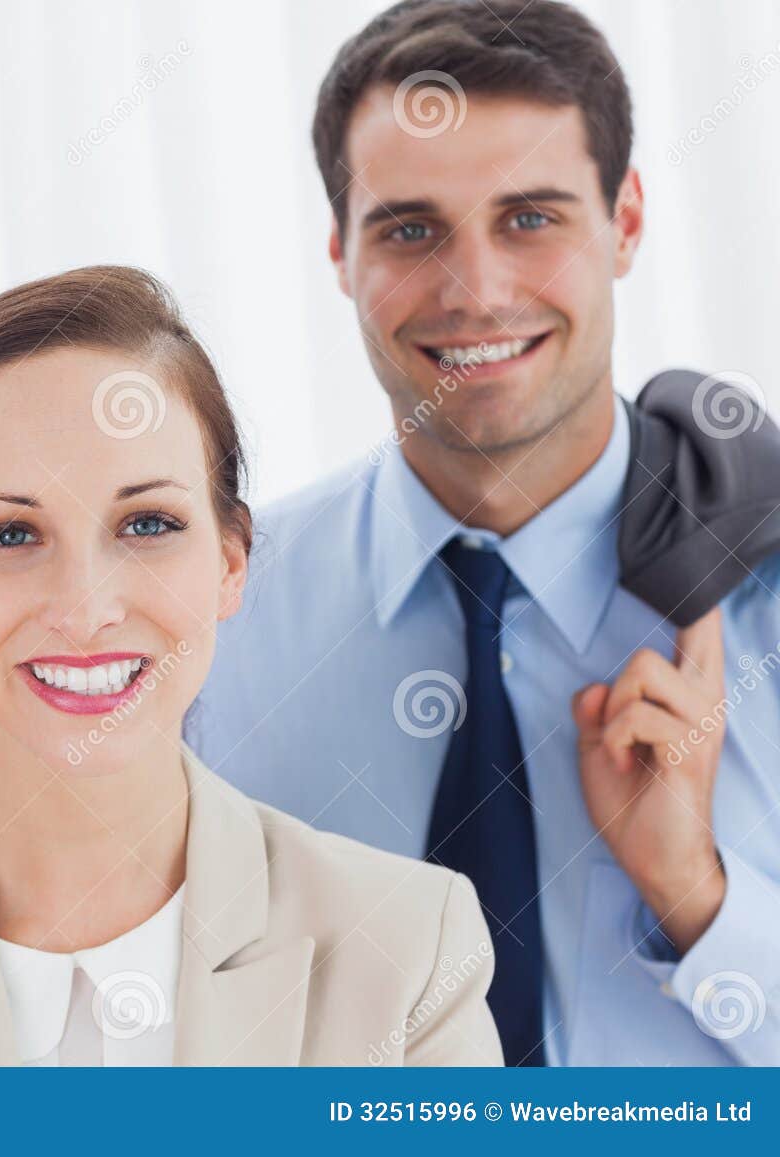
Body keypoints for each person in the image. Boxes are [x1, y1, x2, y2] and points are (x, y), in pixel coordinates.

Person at [0, 265, 502, 1066]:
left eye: (147, 524)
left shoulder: (408, 952)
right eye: (9, 534)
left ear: (229, 561)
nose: (84, 608)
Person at [193, 0, 780, 1066]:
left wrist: (697, 894)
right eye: (410, 228)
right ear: (339, 253)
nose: (475, 290)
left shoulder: (761, 598)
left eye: (530, 218)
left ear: (627, 222)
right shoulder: (210, 618)